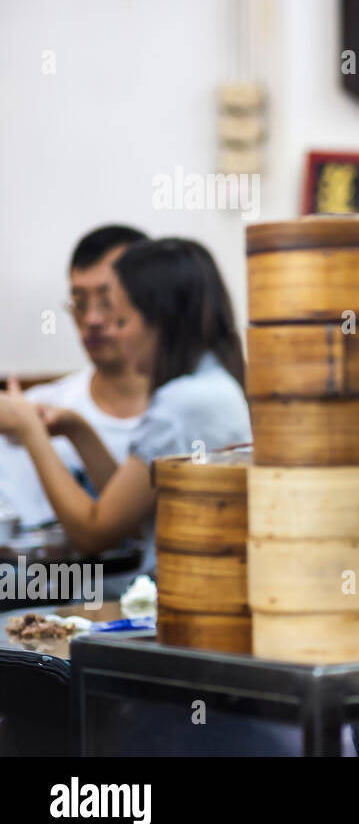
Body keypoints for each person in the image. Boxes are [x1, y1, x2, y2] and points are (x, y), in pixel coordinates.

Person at [0, 238, 250, 595]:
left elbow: (93, 533)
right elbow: (130, 517)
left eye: (121, 319)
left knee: (19, 595)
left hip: (176, 597)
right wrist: (78, 430)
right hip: (179, 588)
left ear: (160, 321)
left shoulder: (183, 404)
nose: (110, 330)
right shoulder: (212, 385)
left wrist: (29, 431)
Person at [0, 225, 150, 526]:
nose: (92, 320)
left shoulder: (175, 414)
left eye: (108, 302)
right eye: (79, 303)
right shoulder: (33, 408)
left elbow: (117, 526)